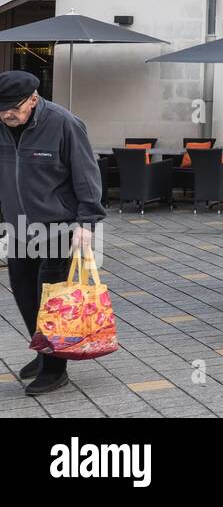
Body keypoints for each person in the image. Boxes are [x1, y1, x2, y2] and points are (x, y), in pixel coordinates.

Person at [0, 71, 106, 396]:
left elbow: (87, 175)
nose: (6, 115)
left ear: (33, 100)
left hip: (59, 227)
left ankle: (55, 369)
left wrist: (87, 223)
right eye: (1, 109)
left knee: (53, 301)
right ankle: (45, 350)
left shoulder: (64, 123)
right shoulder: (2, 125)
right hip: (18, 228)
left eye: (13, 109)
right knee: (25, 295)